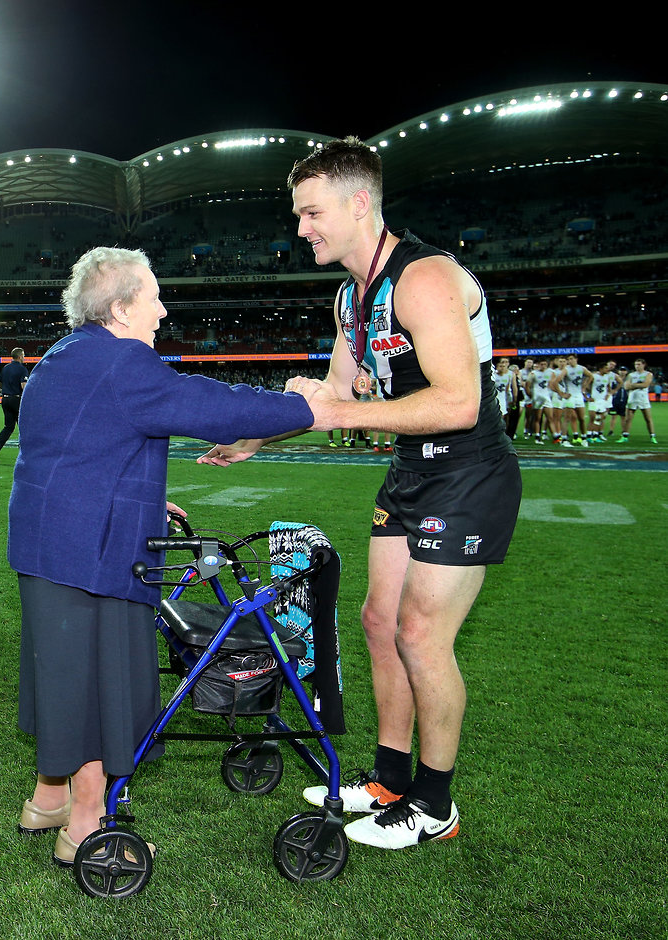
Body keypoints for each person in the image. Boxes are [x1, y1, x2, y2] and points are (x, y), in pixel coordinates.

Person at [198, 137, 522, 850]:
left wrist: (341, 412)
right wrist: (260, 438)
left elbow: (461, 401)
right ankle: (388, 781)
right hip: (413, 471)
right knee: (380, 623)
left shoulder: (425, 277)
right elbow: (335, 396)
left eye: (311, 213)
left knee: (420, 636)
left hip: (469, 470)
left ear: (358, 203)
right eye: (298, 215)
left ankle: (434, 806)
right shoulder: (352, 296)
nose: (302, 228)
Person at [8, 246, 324, 867]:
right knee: (102, 684)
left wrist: (148, 501)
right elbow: (217, 407)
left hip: (51, 542)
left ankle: (48, 798)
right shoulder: (126, 361)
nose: (162, 308)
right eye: (152, 295)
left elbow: (79, 448)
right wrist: (313, 408)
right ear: (122, 307)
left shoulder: (63, 355)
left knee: (63, 673)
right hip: (93, 556)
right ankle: (85, 823)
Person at [0, 348, 28, 462]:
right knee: (23, 427)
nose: (24, 357)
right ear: (20, 356)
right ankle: (24, 453)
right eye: (24, 355)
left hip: (5, 399)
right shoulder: (22, 369)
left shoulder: (5, 368)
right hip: (16, 399)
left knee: (8, 427)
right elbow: (23, 387)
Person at [550, 353, 593, 447]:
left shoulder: (581, 368)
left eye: (571, 359)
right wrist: (561, 393)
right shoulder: (566, 370)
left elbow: (591, 376)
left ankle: (584, 438)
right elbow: (555, 382)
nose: (570, 361)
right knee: (567, 418)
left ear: (576, 359)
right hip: (569, 396)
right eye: (568, 359)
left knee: (581, 418)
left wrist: (584, 387)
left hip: (579, 396)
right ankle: (564, 439)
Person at [617, 358, 658, 443]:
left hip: (643, 399)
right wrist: (639, 385)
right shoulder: (631, 375)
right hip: (632, 399)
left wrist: (633, 385)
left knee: (648, 419)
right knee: (628, 419)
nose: (637, 366)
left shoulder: (648, 374)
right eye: (636, 364)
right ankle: (625, 436)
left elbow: (646, 384)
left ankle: (652, 436)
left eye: (639, 364)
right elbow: (626, 387)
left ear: (644, 365)